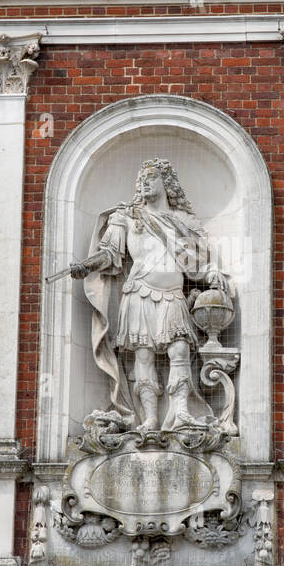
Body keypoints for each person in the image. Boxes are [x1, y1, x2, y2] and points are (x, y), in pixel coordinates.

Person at [70, 158, 229, 432]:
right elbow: (109, 253)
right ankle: (150, 419)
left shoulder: (184, 222)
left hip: (173, 294)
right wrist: (86, 265)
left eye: (150, 177)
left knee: (179, 350)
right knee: (143, 357)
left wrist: (211, 272)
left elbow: (195, 266)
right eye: (141, 179)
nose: (144, 182)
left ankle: (180, 413)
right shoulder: (127, 218)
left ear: (166, 183)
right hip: (139, 292)